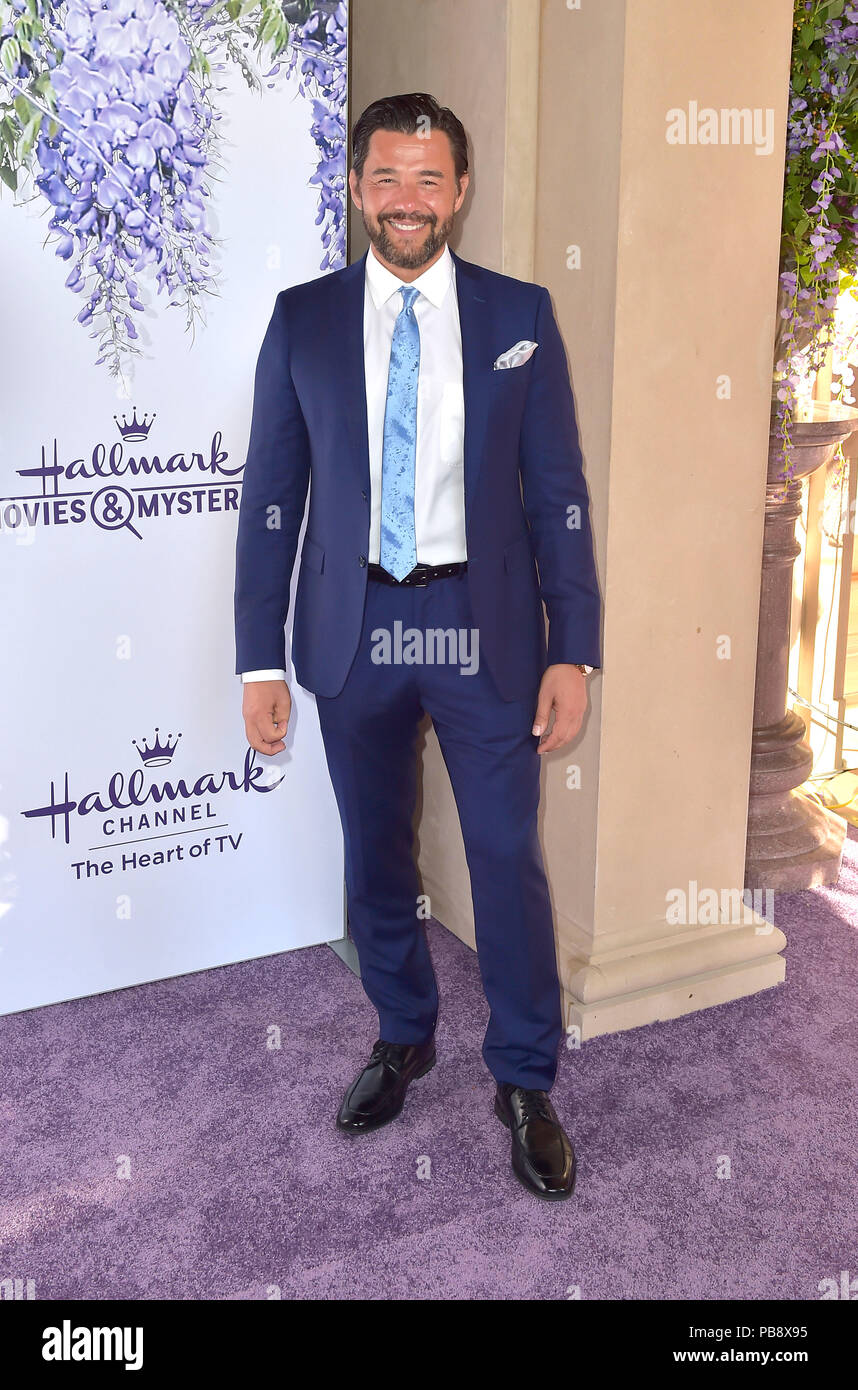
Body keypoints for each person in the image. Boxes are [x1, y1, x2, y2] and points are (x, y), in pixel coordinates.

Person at [234, 93, 601, 1201]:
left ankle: (525, 1077)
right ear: (357, 188)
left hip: (481, 629)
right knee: (375, 854)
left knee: (502, 857)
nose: (407, 200)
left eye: (427, 178)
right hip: (355, 631)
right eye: (386, 178)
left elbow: (558, 499)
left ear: (460, 189)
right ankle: (403, 1033)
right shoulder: (299, 320)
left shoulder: (517, 316)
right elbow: (270, 499)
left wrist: (571, 647)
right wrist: (259, 656)